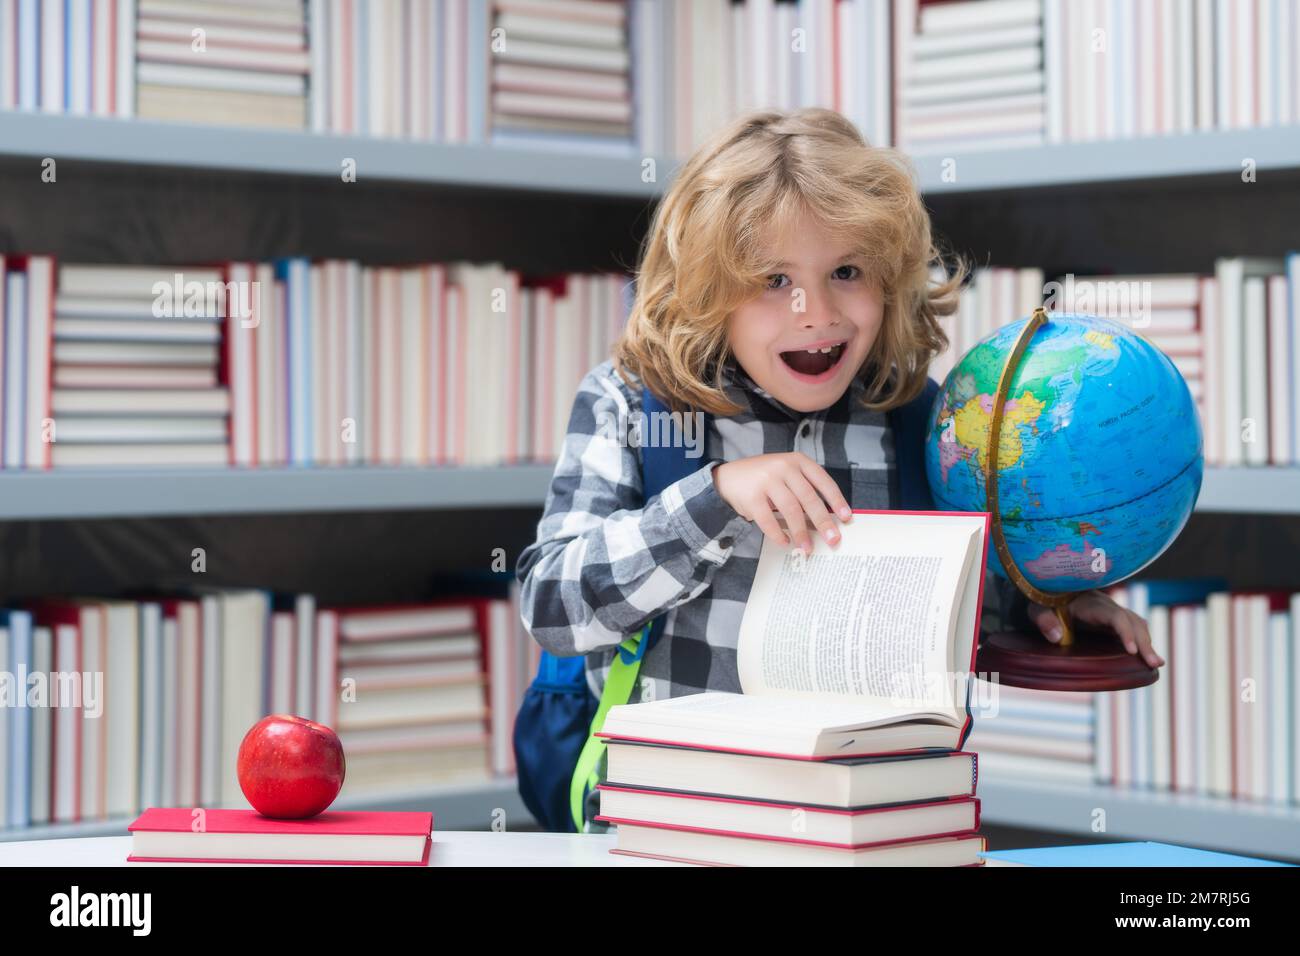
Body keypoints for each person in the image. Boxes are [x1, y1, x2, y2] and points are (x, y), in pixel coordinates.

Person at [516, 107, 1161, 724]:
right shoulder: (631, 403)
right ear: (708, 291)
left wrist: (1059, 606)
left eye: (847, 270)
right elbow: (552, 608)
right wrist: (713, 498)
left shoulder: (927, 423)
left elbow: (972, 605)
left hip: (872, 807)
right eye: (773, 279)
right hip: (678, 814)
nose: (816, 311)